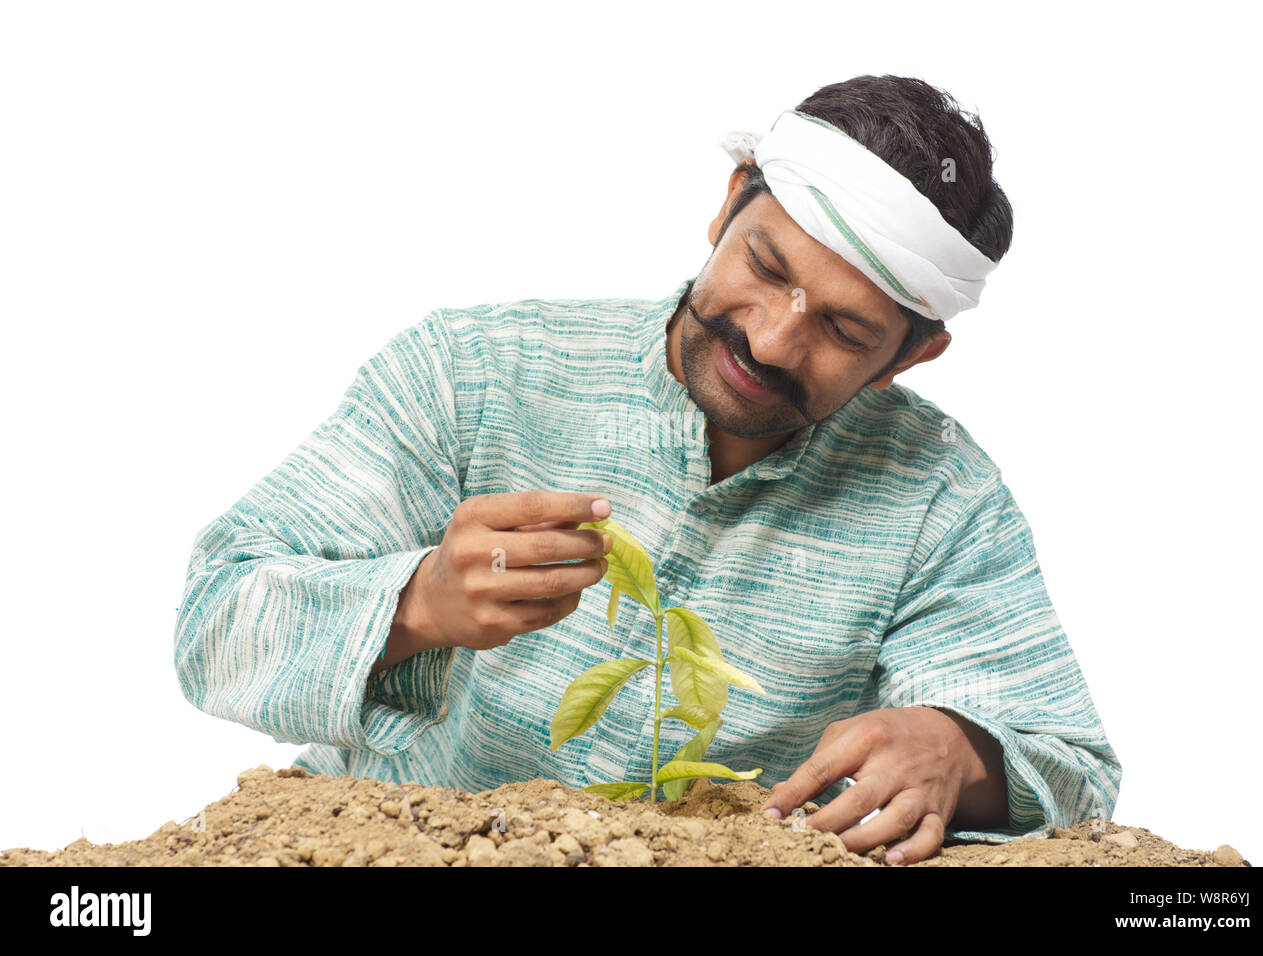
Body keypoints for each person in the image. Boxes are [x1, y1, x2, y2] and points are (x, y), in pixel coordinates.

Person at [174, 74, 1120, 865]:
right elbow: (215, 621)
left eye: (843, 330)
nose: (772, 335)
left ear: (912, 356)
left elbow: (1070, 764)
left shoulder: (941, 501)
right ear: (729, 198)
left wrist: (964, 752)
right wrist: (420, 604)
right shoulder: (473, 373)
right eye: (763, 263)